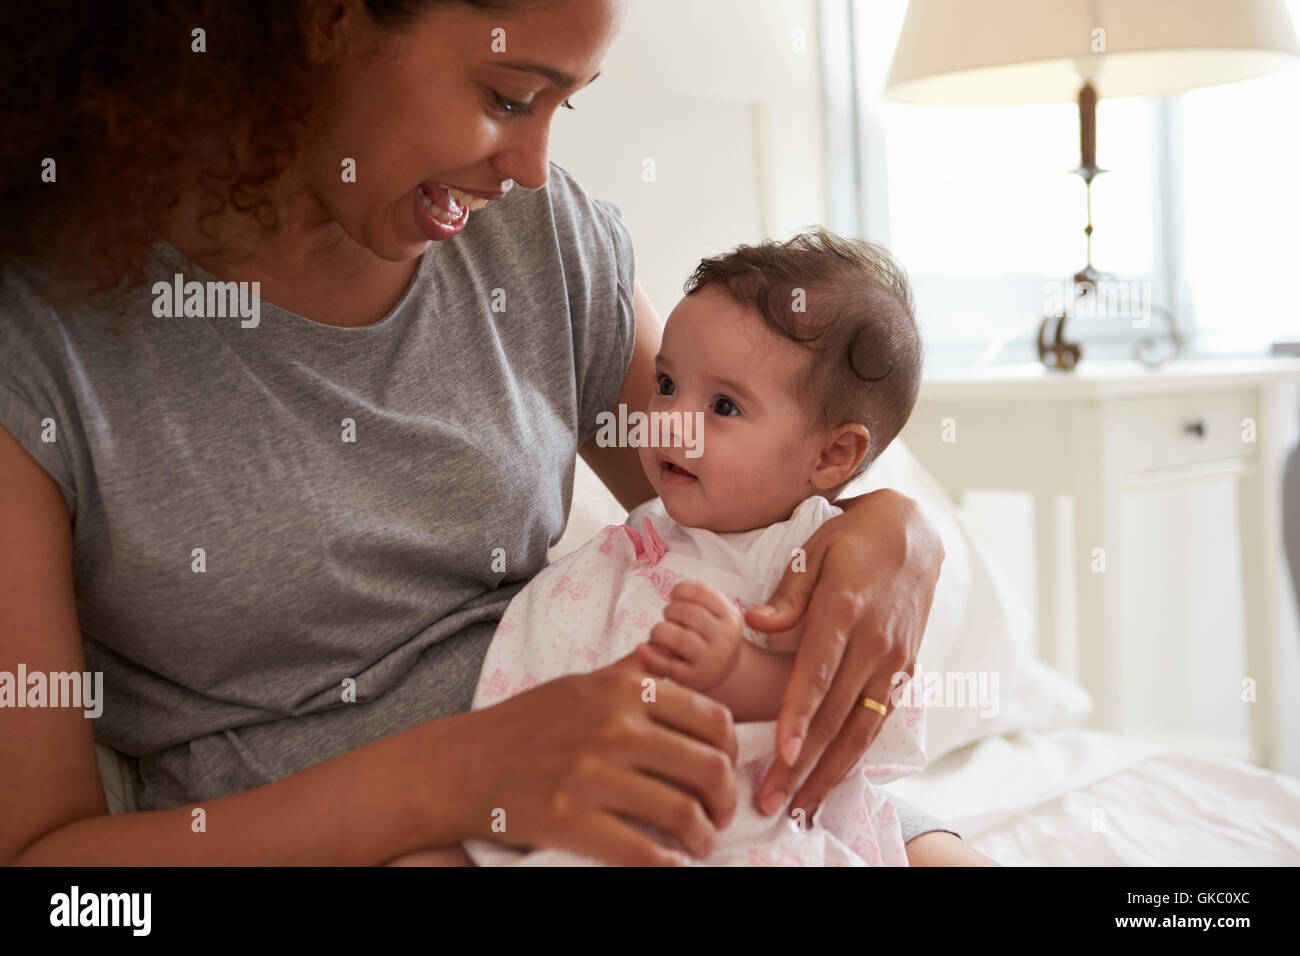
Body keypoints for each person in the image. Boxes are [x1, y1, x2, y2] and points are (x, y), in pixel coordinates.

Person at [0, 0, 995, 866]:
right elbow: (48, 865)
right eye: (512, 94)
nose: (531, 167)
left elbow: (735, 490)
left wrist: (885, 525)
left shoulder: (536, 241)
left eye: (571, 103)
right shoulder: (42, 340)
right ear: (321, 21)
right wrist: (459, 776)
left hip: (677, 806)